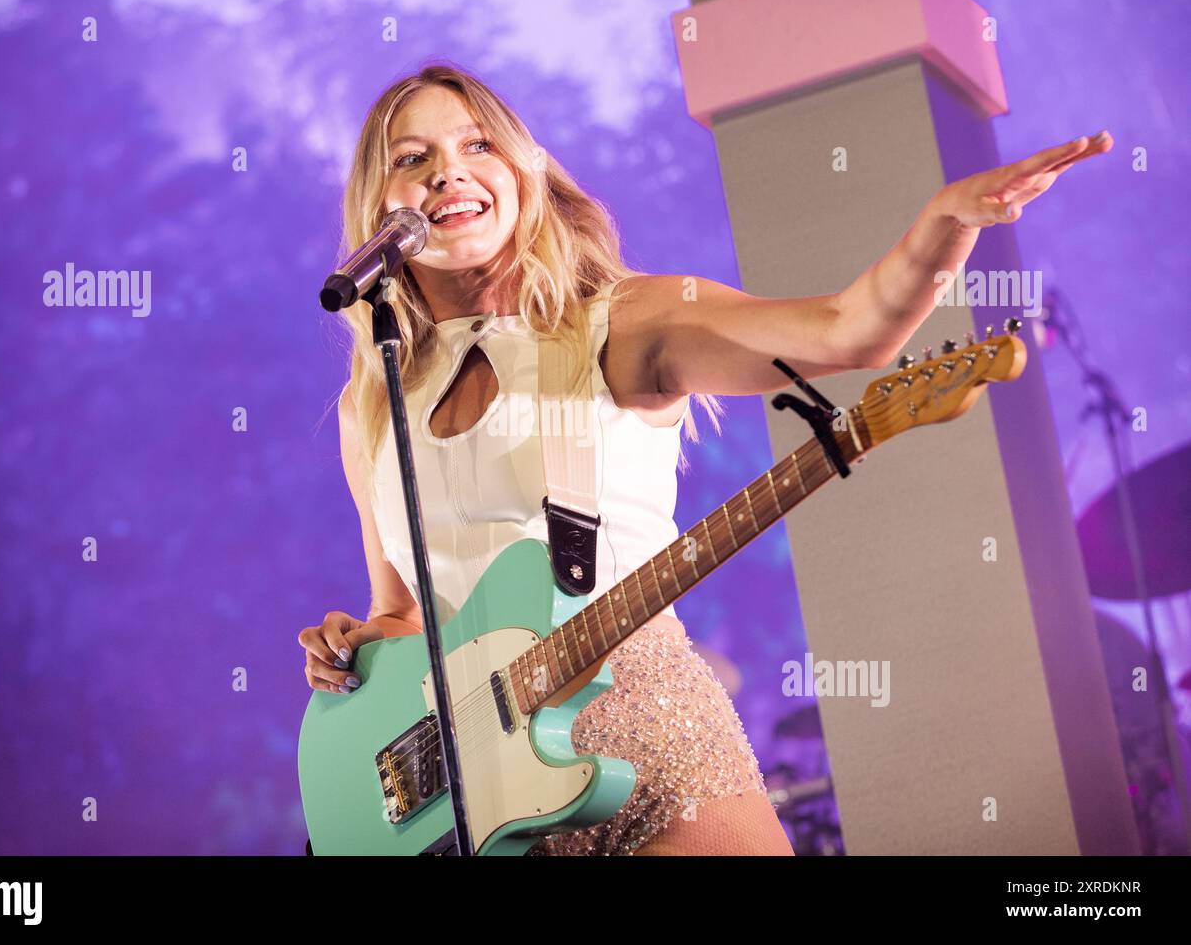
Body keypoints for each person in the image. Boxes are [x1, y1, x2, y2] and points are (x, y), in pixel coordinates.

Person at [297, 63, 1111, 855]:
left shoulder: (624, 321)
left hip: (648, 730)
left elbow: (847, 329)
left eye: (478, 147)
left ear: (522, 173)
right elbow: (403, 613)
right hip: (472, 795)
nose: (448, 174)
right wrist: (353, 648)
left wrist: (943, 227)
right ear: (380, 209)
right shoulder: (367, 408)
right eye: (414, 160)